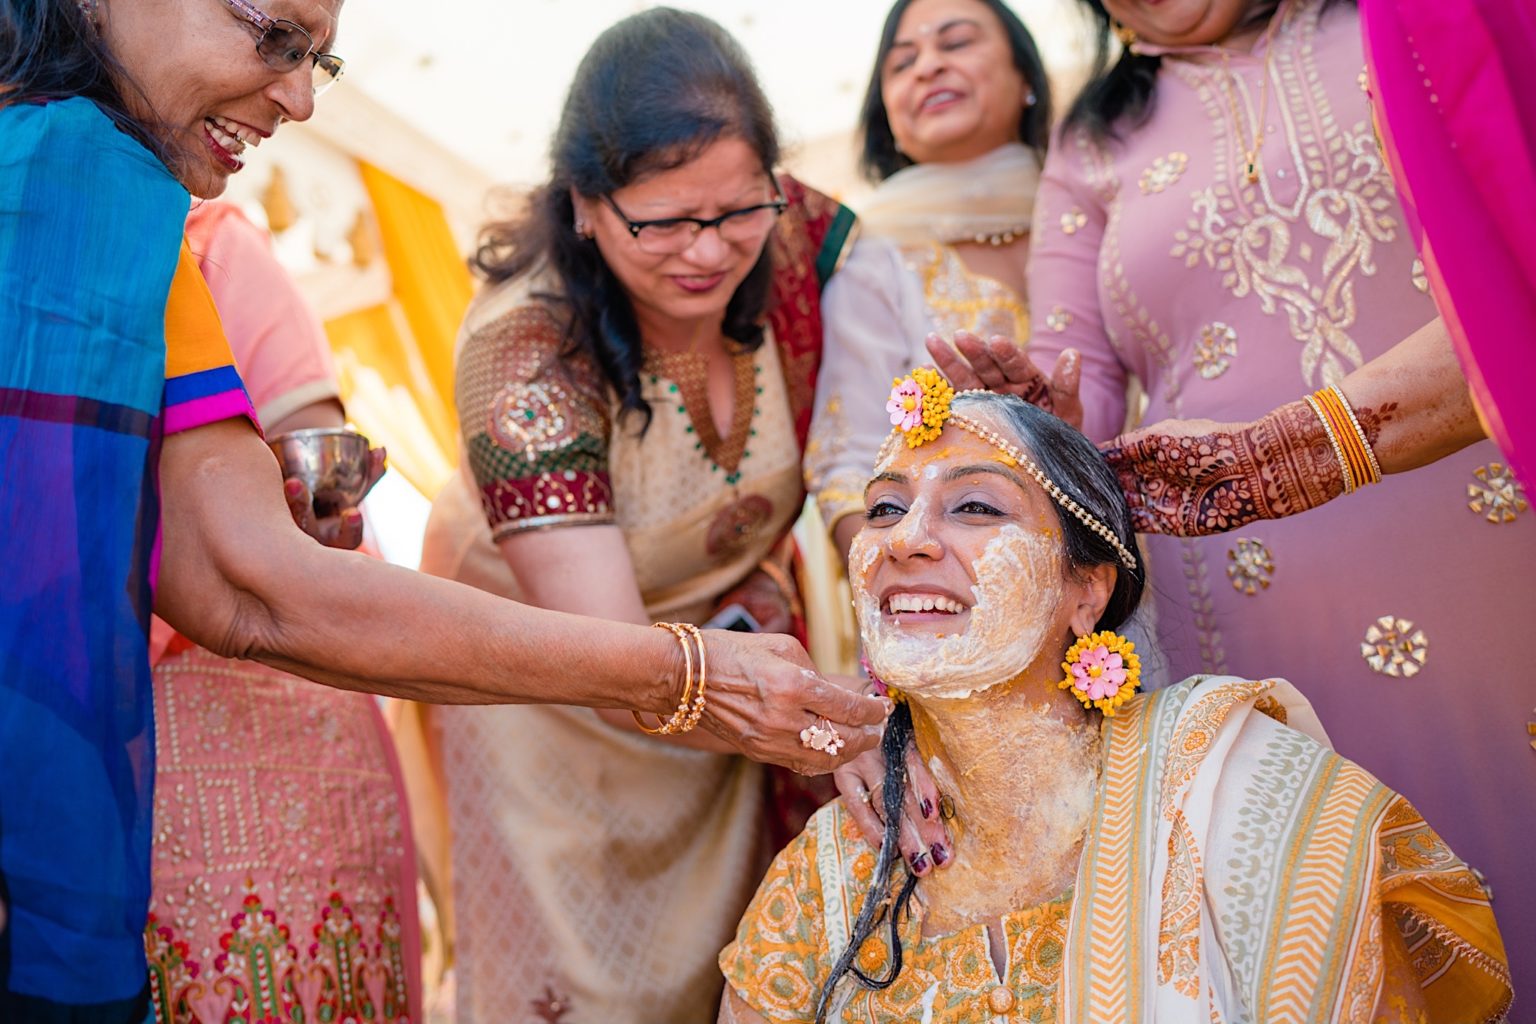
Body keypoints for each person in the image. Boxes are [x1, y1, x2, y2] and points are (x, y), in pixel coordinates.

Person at [0, 2, 887, 1018]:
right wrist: (688, 669)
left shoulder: (149, 224)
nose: (296, 98)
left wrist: (698, 664)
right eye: (276, 36)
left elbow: (244, 577)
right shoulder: (81, 183)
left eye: (317, 60)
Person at [1009, 0, 1536, 989]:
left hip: (1498, 526)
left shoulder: (1419, 22)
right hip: (1254, 591)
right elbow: (1072, 378)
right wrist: (1047, 416)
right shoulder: (1094, 139)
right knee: (1343, 917)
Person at [721, 379, 1511, 1023]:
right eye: (886, 508)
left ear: (1087, 593)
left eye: (975, 508)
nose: (902, 540)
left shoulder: (1236, 798)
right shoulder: (828, 874)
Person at [415, 9, 860, 1021]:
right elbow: (616, 666)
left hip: (733, 687)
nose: (707, 252)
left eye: (739, 211)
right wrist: (836, 733)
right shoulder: (524, 354)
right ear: (582, 206)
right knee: (582, 985)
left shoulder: (802, 243)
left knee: (746, 967)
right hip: (558, 704)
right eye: (660, 222)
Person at [143, 201, 421, 1024]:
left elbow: (315, 450)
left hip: (258, 695)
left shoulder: (211, 247)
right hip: (72, 691)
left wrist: (308, 513)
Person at [807, 0, 1079, 560]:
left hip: (1139, 563)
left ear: (1026, 77)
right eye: (903, 63)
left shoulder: (1090, 208)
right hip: (957, 593)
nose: (928, 66)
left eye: (955, 44)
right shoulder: (875, 255)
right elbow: (846, 468)